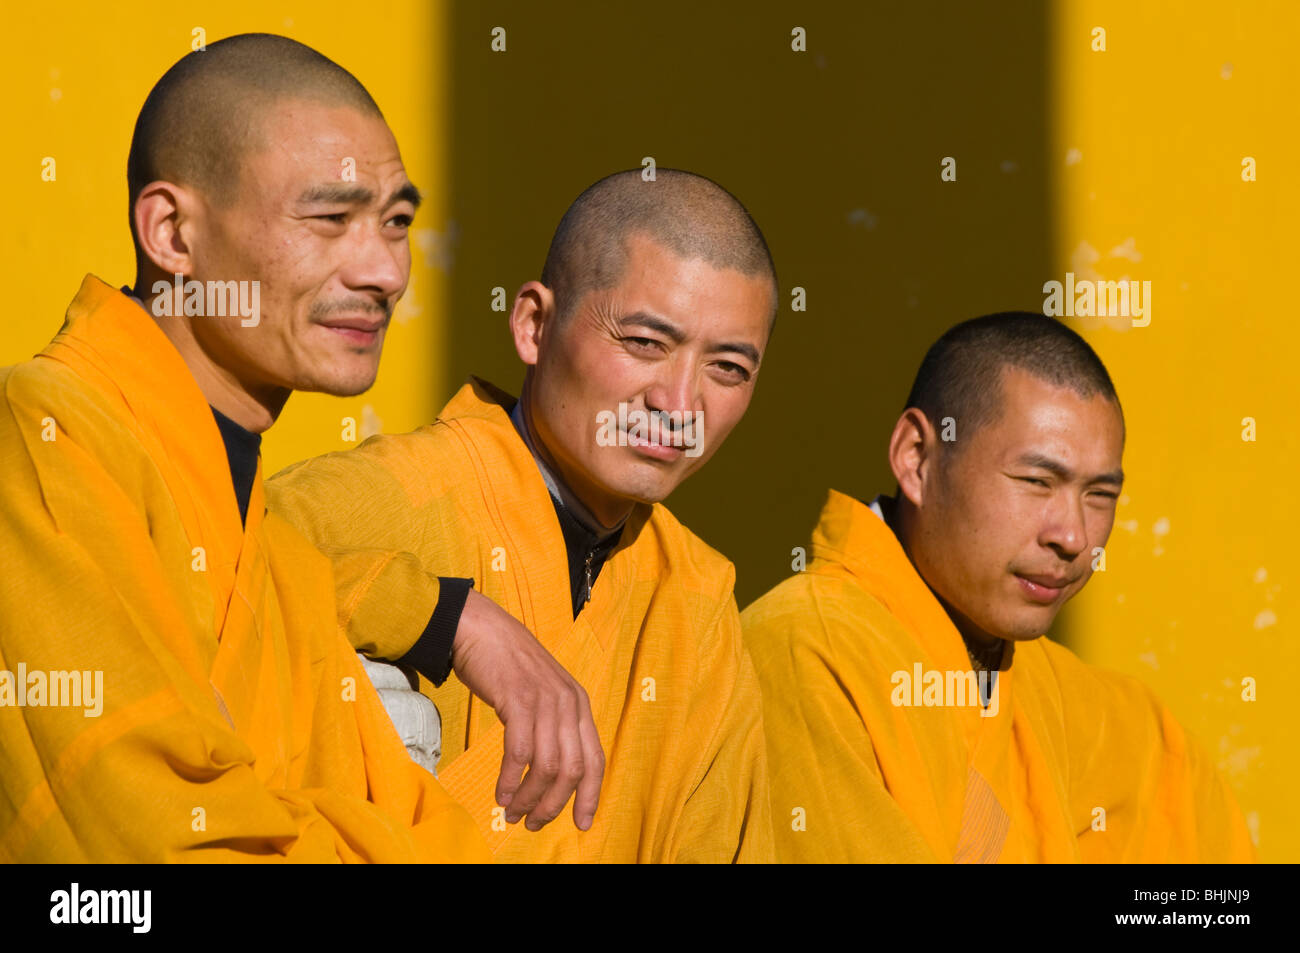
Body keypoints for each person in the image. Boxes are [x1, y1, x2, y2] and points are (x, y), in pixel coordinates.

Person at [0, 33, 594, 862]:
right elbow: (146, 836)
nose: (385, 270)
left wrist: (449, 613)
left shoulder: (274, 556)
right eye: (329, 219)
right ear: (172, 234)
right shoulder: (46, 433)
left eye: (395, 223)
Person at [266, 169, 778, 862]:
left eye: (727, 369)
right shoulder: (393, 497)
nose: (679, 403)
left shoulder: (698, 606)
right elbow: (179, 581)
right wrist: (446, 617)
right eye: (646, 343)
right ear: (534, 324)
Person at [742, 312, 1256, 863]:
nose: (1074, 536)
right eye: (1037, 482)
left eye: (1100, 495)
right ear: (916, 458)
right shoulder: (805, 651)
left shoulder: (1087, 706)